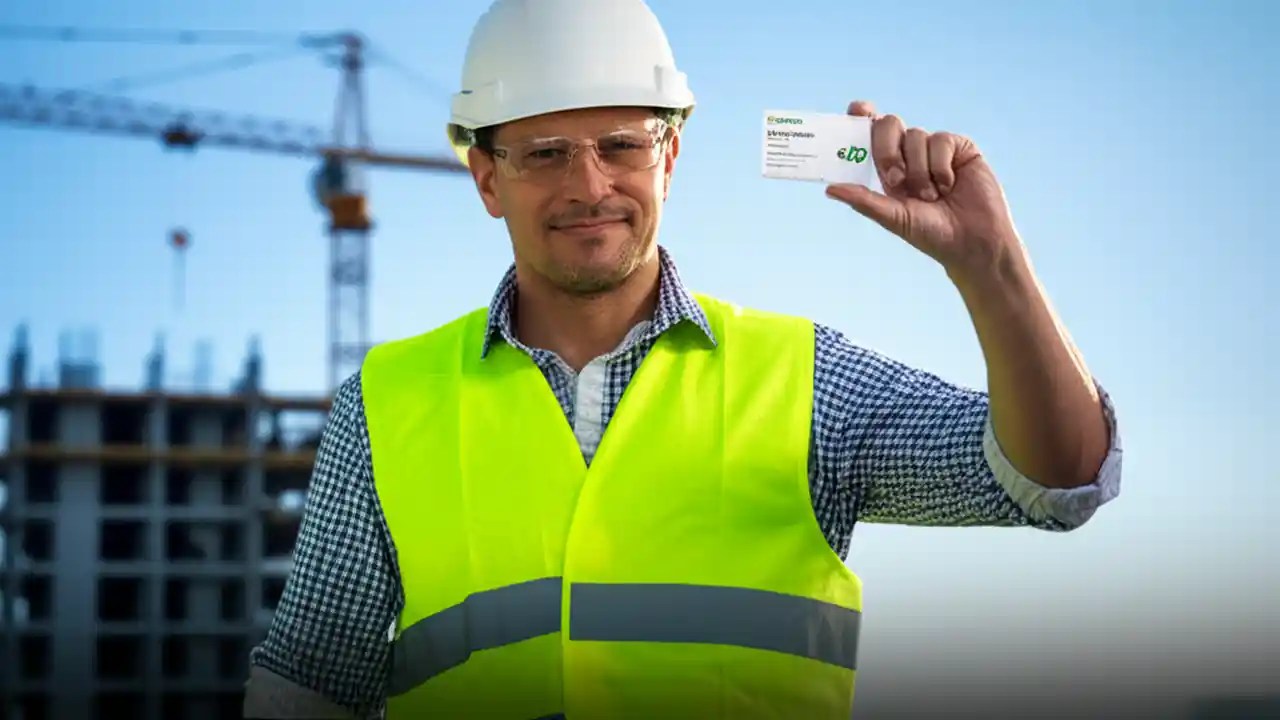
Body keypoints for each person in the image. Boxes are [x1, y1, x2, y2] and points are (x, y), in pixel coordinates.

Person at [242, 0, 1122, 717]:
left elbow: (1054, 478)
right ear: (486, 179)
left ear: (671, 158)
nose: (590, 186)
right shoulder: (387, 404)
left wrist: (992, 264)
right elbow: (309, 689)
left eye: (622, 145)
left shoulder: (806, 381)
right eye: (546, 154)